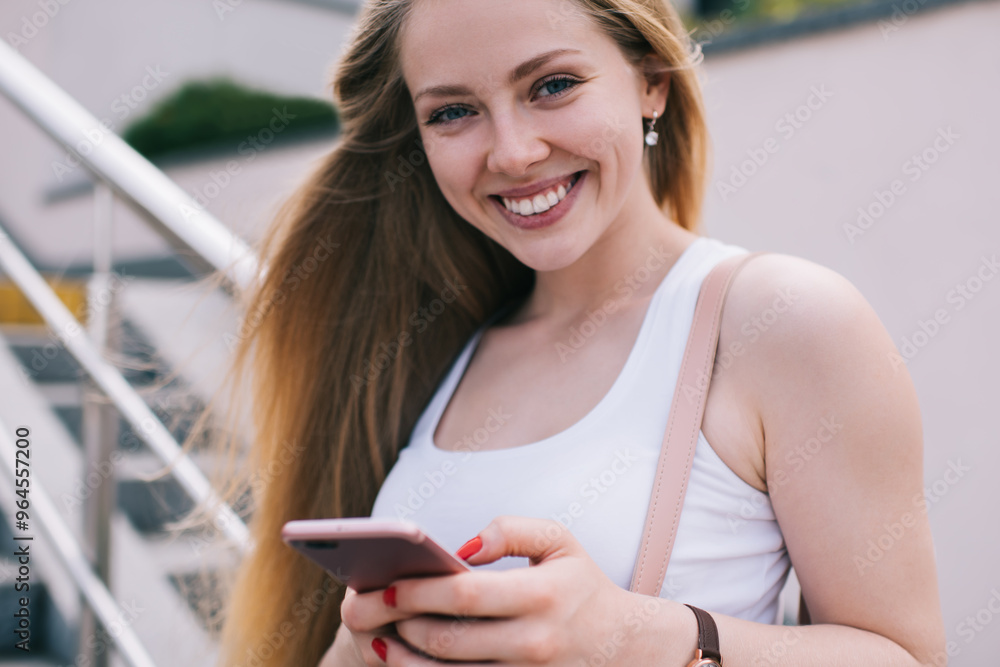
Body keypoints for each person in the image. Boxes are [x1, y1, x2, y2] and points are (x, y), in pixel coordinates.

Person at [210, 0, 947, 665]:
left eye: (553, 86)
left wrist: (639, 635)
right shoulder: (436, 345)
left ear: (651, 80)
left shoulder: (780, 322)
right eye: (452, 112)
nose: (513, 152)